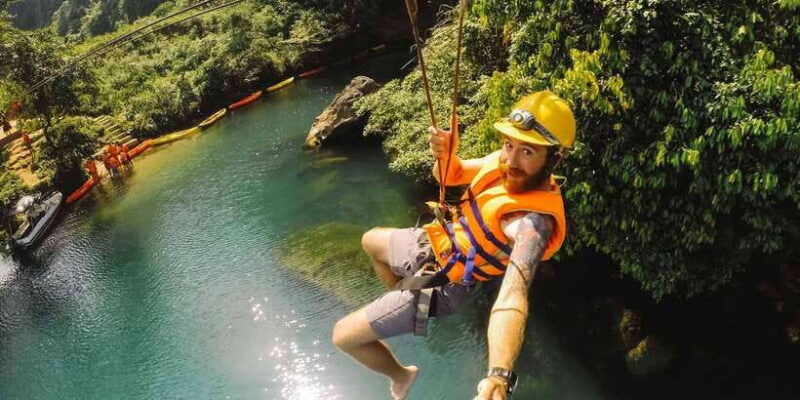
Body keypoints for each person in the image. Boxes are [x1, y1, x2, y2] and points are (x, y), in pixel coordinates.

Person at [332, 91, 577, 400]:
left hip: (447, 282)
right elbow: (450, 175)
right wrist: (447, 154)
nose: (511, 160)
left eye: (527, 152)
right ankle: (400, 303)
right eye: (509, 144)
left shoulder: (531, 223)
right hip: (436, 242)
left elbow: (513, 295)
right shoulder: (502, 161)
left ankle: (400, 374)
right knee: (370, 240)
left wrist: (499, 375)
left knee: (343, 336)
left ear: (554, 158)